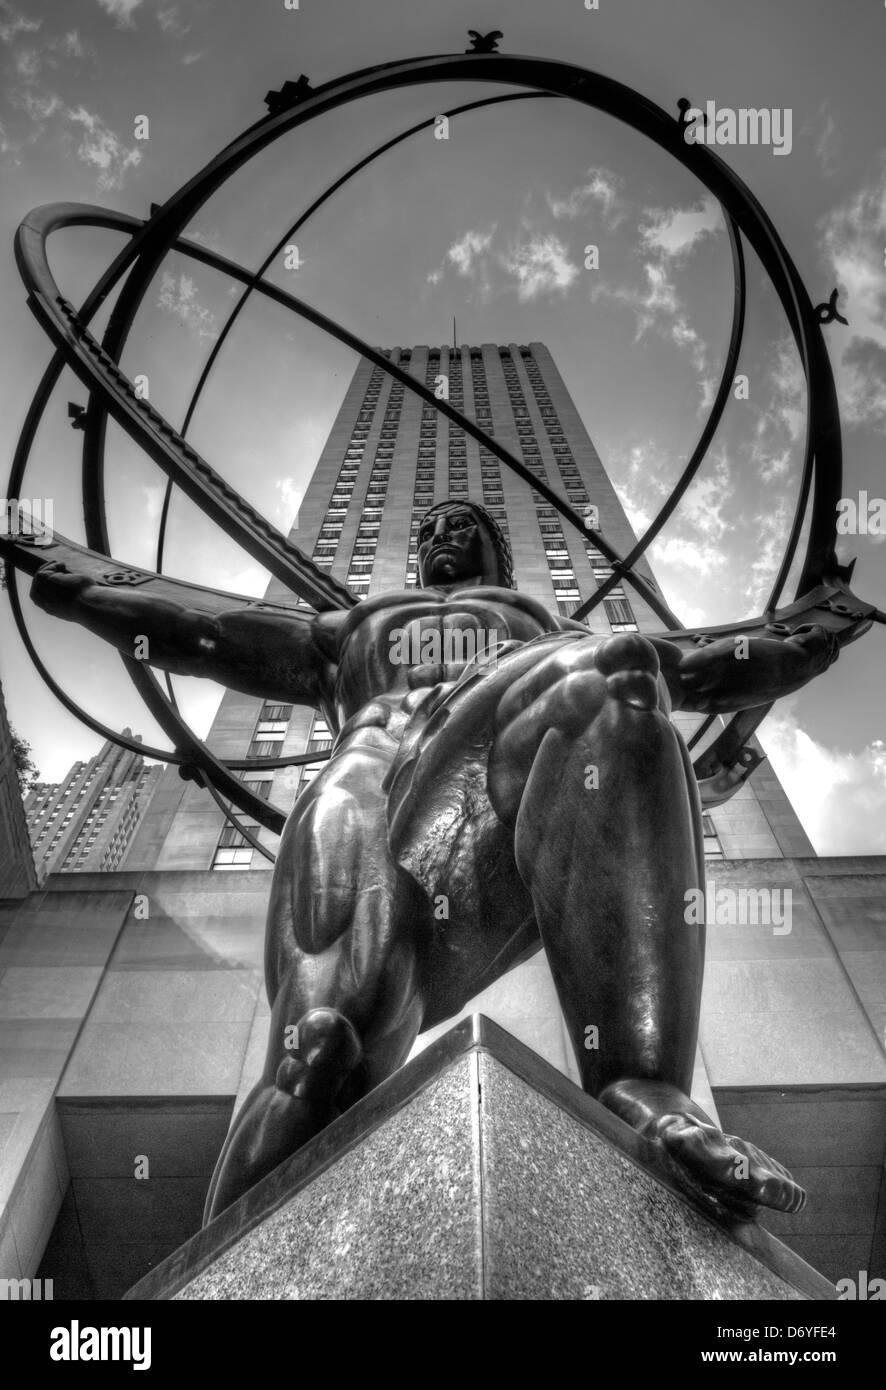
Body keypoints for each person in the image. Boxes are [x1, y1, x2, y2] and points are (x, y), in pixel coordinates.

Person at [32, 499, 837, 1224]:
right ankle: (220, 1275)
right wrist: (79, 590)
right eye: (431, 528)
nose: (444, 533)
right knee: (326, 1045)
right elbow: (203, 634)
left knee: (620, 671)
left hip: (496, 773)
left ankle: (642, 1084)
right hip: (367, 789)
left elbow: (706, 664)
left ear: (501, 550)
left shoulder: (542, 629)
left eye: (465, 524)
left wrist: (816, 633)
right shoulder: (352, 629)